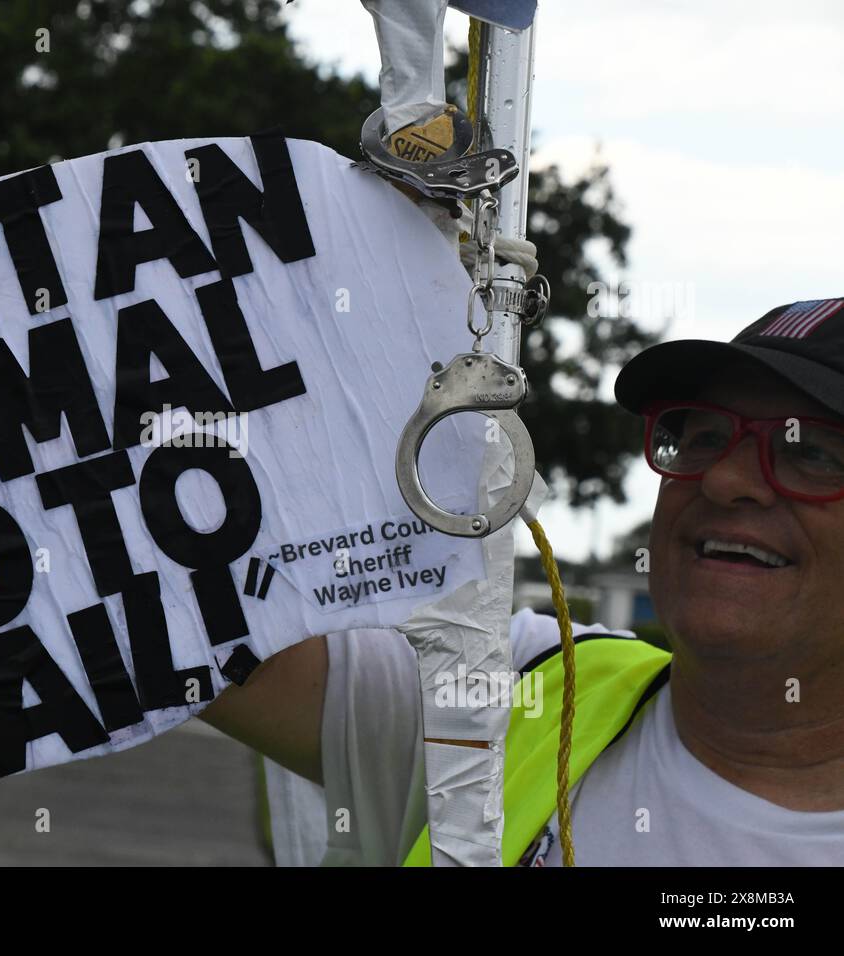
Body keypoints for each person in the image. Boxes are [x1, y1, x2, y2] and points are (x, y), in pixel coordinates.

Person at [200, 298, 844, 865]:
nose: (725, 479)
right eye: (704, 436)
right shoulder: (515, 685)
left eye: (814, 451)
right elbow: (192, 629)